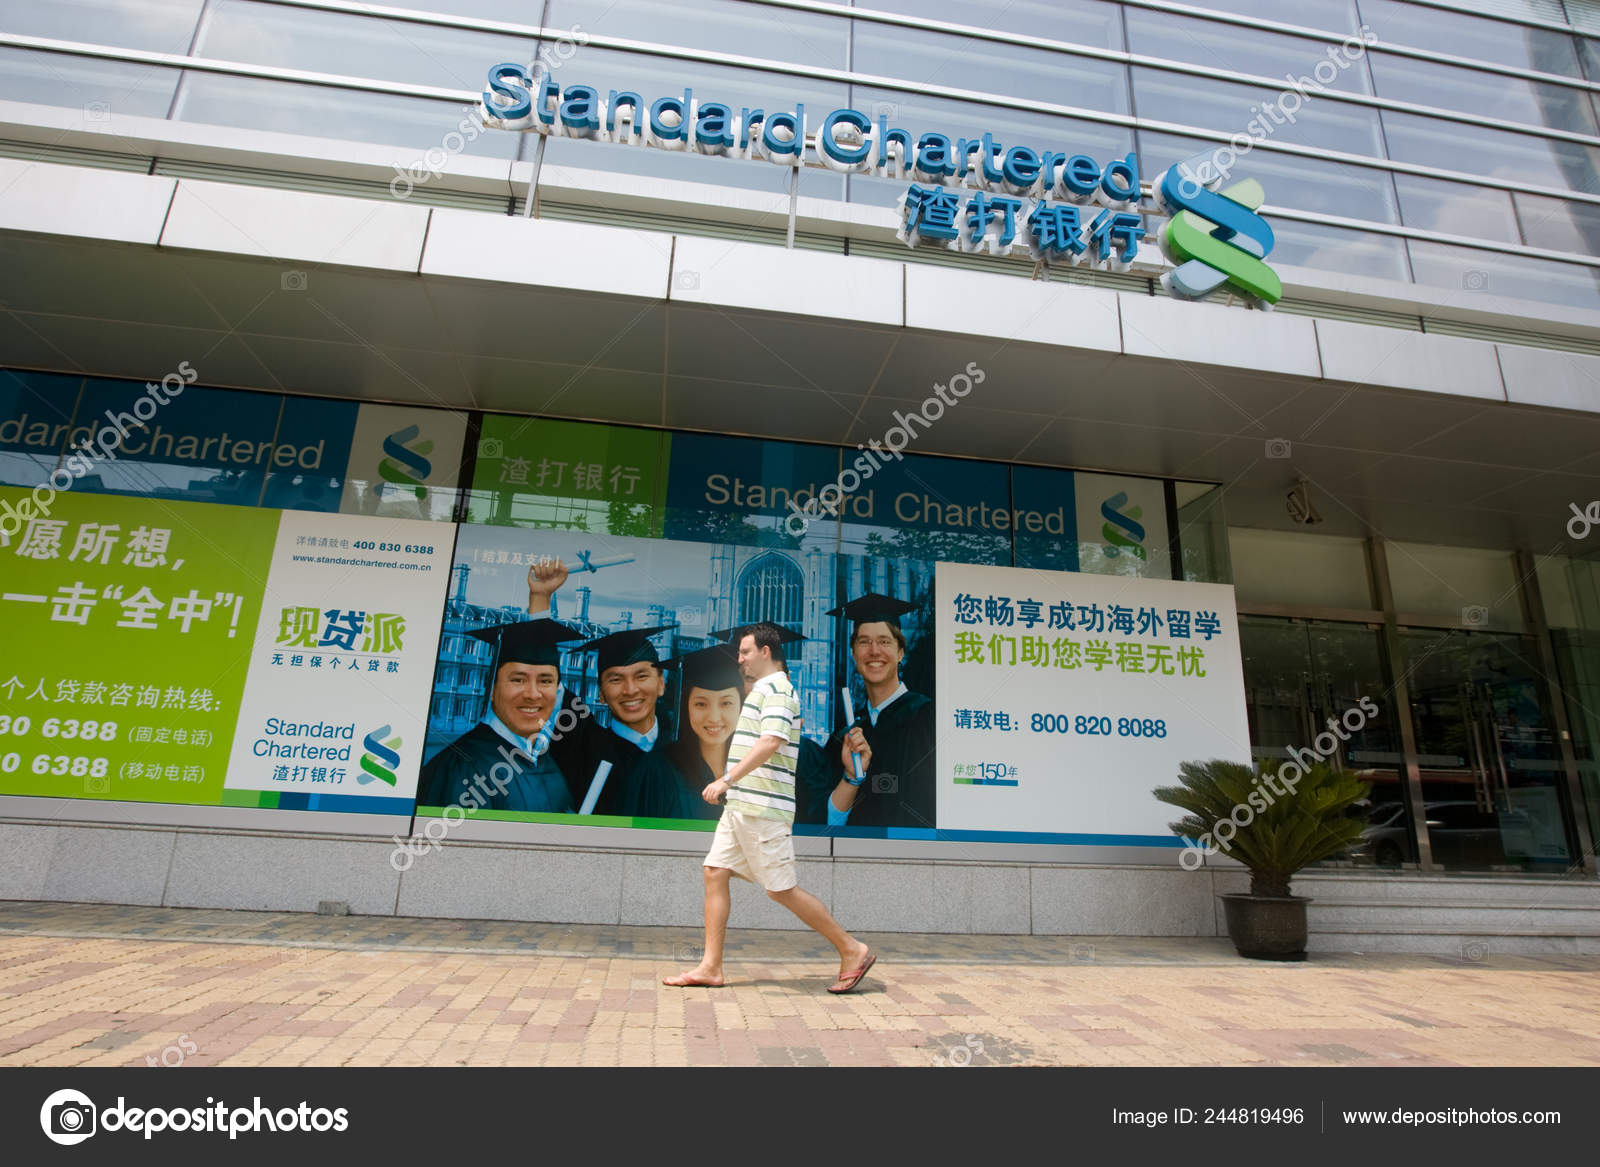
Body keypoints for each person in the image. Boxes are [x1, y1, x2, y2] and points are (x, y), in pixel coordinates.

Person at [664, 623, 876, 994]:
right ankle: (711, 967)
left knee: (781, 890)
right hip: (742, 807)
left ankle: (852, 949)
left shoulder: (778, 688)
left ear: (765, 652)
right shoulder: (765, 689)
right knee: (715, 871)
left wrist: (726, 779)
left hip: (762, 807)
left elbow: (770, 742)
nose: (740, 659)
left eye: (745, 652)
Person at [525, 556, 672, 816]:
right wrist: (540, 598)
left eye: (641, 676)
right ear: (601, 694)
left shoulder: (684, 753)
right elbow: (545, 681)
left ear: (661, 683)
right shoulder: (583, 744)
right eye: (615, 679)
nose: (630, 690)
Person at [417, 619, 587, 813]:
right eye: (518, 680)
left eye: (545, 681)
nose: (533, 694)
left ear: (557, 691)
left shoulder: (545, 760)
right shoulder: (461, 767)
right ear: (492, 688)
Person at [823, 593, 937, 830]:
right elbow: (828, 825)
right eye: (864, 642)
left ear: (900, 653)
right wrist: (851, 777)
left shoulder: (925, 717)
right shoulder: (844, 737)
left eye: (884, 641)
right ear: (854, 654)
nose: (874, 651)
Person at [707, 623, 835, 826]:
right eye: (745, 680)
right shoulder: (716, 744)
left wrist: (725, 781)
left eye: (752, 678)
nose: (752, 688)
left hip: (765, 817)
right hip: (738, 812)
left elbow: (770, 741)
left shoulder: (808, 753)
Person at [624, 644, 743, 821]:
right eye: (701, 704)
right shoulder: (658, 771)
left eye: (726, 703)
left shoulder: (757, 769)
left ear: (741, 706)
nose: (714, 718)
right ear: (686, 707)